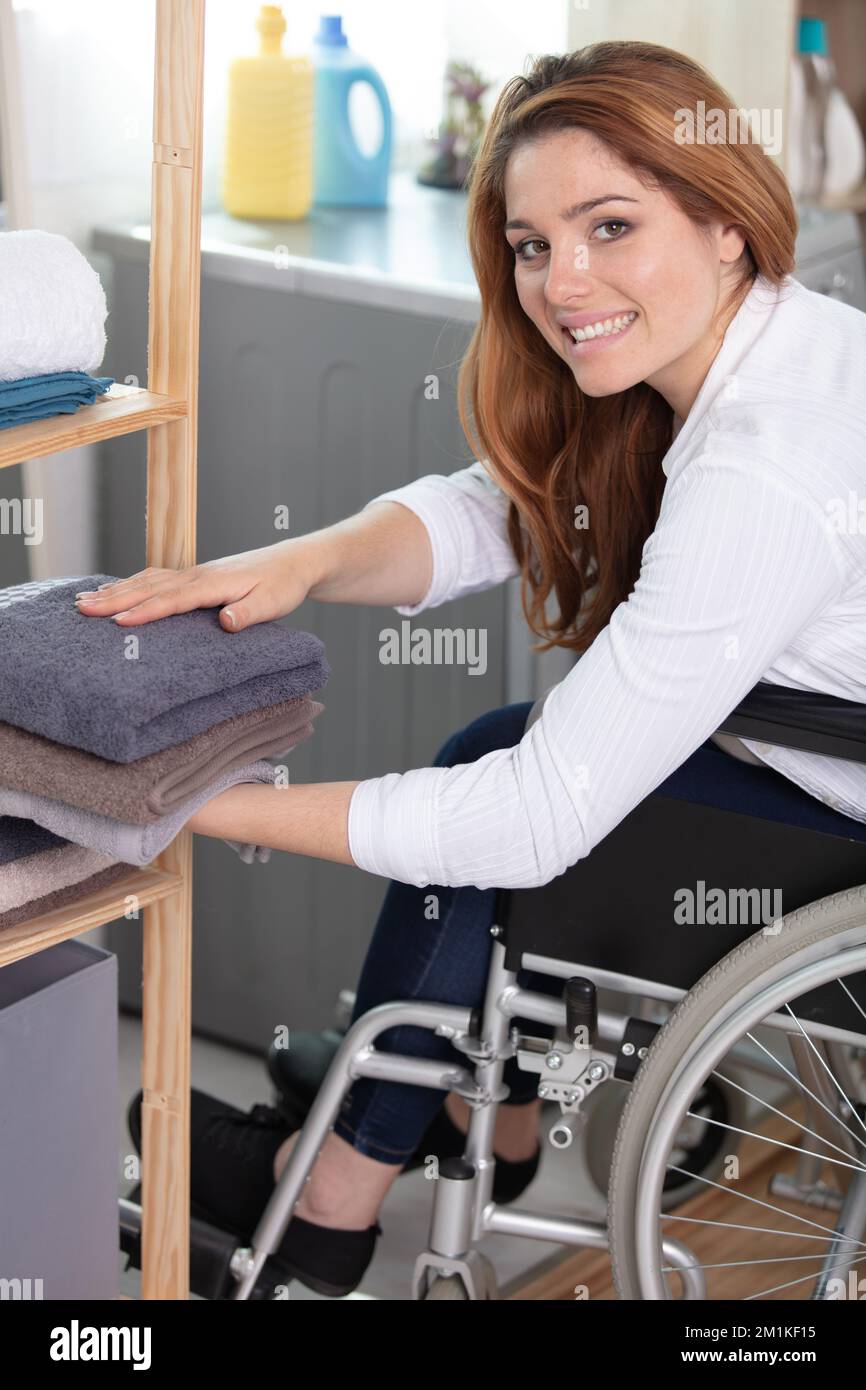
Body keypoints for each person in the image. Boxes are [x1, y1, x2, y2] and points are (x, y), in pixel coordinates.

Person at [79, 39, 866, 1297]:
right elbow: (508, 505)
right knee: (498, 752)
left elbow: (528, 823)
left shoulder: (762, 467)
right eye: (532, 242)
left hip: (842, 821)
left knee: (495, 775)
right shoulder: (766, 341)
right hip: (826, 746)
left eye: (610, 226)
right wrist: (301, 564)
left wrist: (177, 803)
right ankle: (464, 1123)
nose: (563, 282)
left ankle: (331, 1187)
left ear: (724, 223)